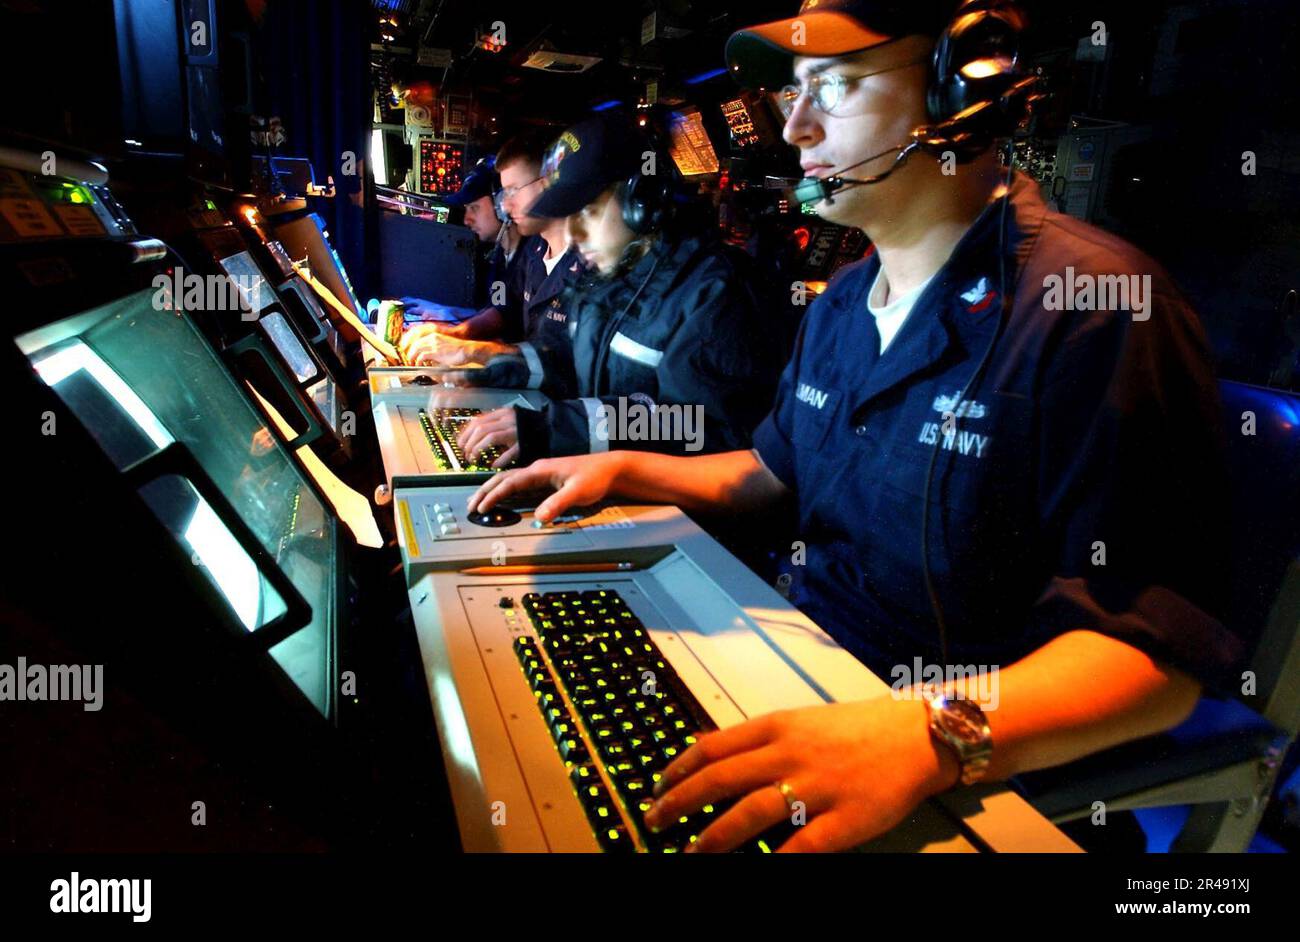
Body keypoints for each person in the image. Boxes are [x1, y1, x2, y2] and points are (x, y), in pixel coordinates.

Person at [465, 0, 1244, 853]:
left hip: (968, 769)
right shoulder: (840, 305)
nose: (794, 127)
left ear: (956, 92)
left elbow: (1156, 665)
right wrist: (622, 467)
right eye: (796, 94)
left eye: (832, 88)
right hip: (803, 675)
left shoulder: (1098, 311)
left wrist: (926, 733)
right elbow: (770, 474)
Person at [451, 114, 785, 467]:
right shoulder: (610, 279)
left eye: (589, 212)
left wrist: (560, 427)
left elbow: (703, 427)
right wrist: (495, 369)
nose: (575, 235)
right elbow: (569, 364)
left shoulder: (715, 293)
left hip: (682, 515)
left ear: (640, 200)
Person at [401, 130, 586, 353]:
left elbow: (564, 365)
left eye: (513, 191)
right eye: (504, 195)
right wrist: (454, 333)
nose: (506, 206)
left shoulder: (588, 264)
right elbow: (505, 308)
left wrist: (474, 351)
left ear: (547, 185)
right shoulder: (535, 252)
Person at [398, 156, 522, 323]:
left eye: (474, 208)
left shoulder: (529, 260)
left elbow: (510, 328)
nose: (466, 220)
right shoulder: (500, 256)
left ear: (501, 206)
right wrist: (446, 311)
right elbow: (495, 311)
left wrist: (456, 332)